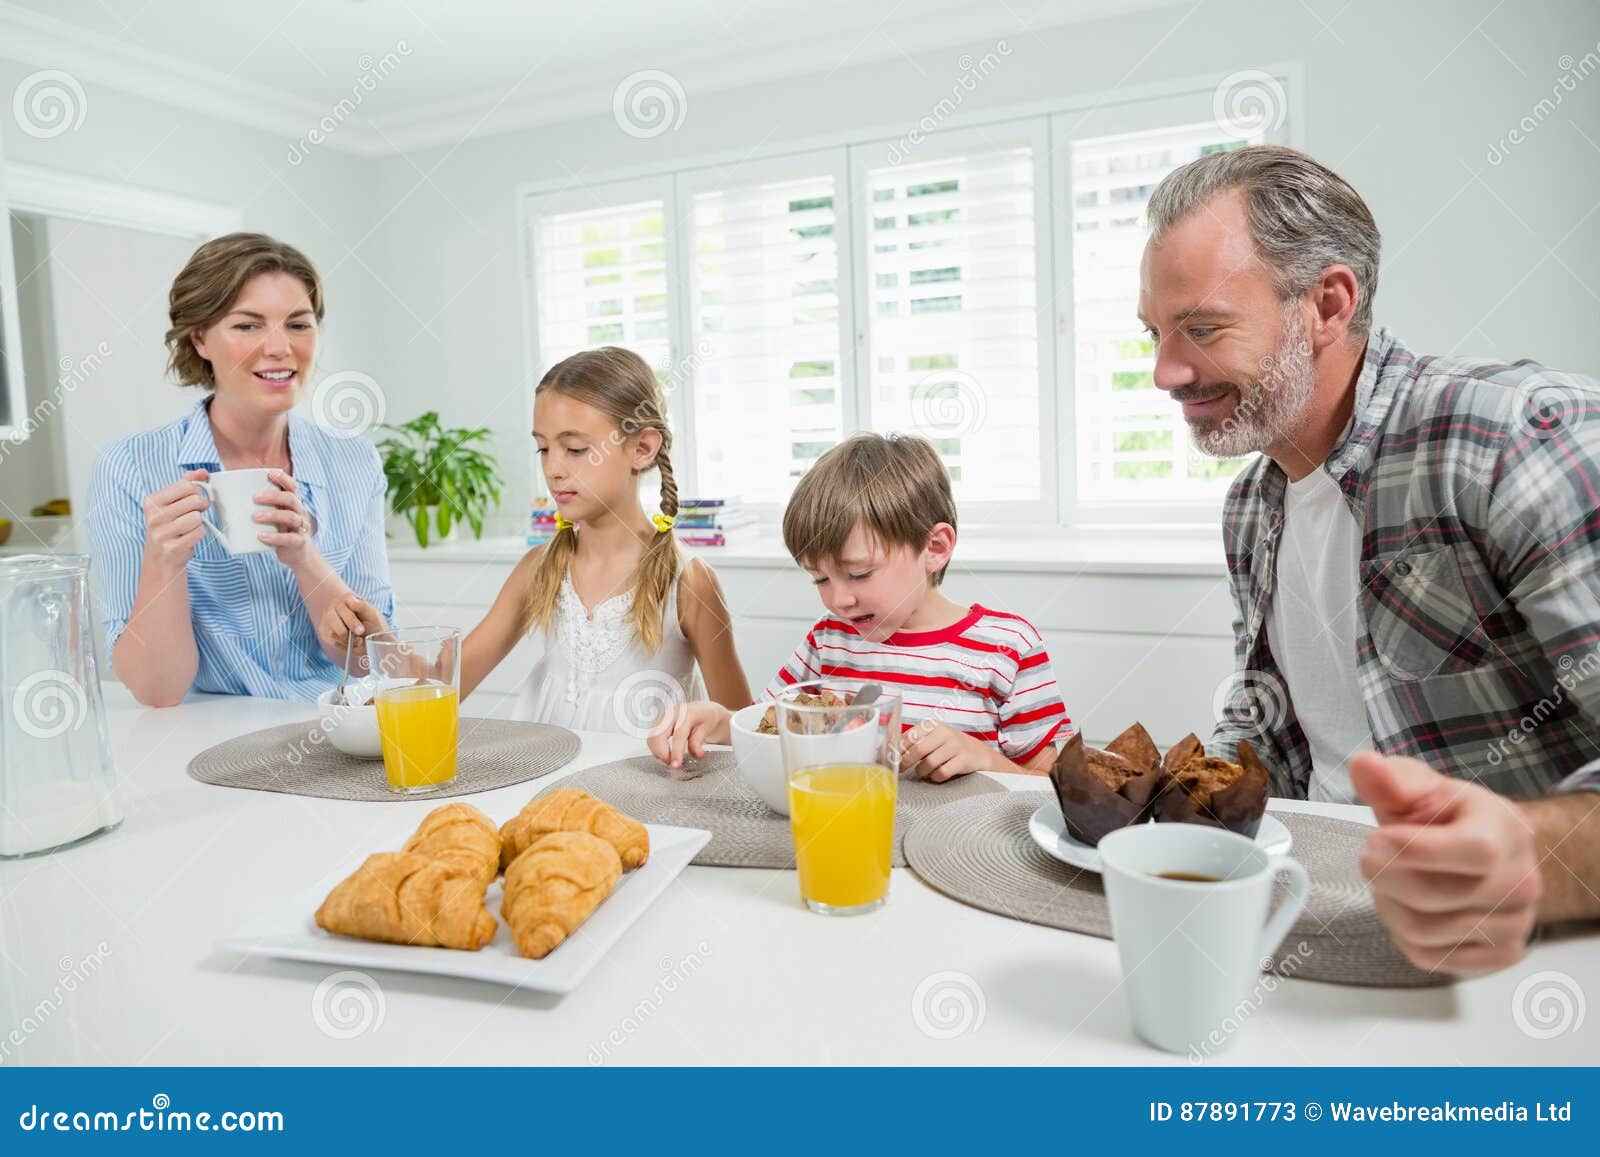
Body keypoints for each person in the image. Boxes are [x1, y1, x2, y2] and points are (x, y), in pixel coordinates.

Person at [1138, 144, 1600, 972]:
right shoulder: (1254, 506)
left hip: (1526, 957)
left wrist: (1528, 856)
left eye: (1201, 328)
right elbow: (1271, 730)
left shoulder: (1514, 438)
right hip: (1320, 910)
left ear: (1328, 304)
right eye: (1156, 333)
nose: (1165, 372)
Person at [325, 346, 751, 734]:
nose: (554, 470)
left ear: (641, 449)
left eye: (576, 449)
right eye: (544, 449)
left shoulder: (689, 582)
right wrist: (381, 638)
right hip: (547, 791)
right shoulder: (540, 569)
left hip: (646, 799)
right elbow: (445, 685)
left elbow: (739, 729)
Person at [648, 433, 1071, 780]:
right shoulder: (828, 642)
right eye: (820, 579)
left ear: (935, 547)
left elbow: (1049, 788)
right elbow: (769, 728)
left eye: (860, 573)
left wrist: (983, 759)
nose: (838, 600)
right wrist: (720, 722)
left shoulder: (1008, 647)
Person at [86, 233, 393, 705]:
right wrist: (164, 562)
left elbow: (372, 663)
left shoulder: (354, 463)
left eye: (298, 324)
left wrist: (304, 560)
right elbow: (156, 690)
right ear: (200, 339)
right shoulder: (129, 467)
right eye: (248, 326)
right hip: (201, 737)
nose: (279, 348)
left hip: (330, 730)